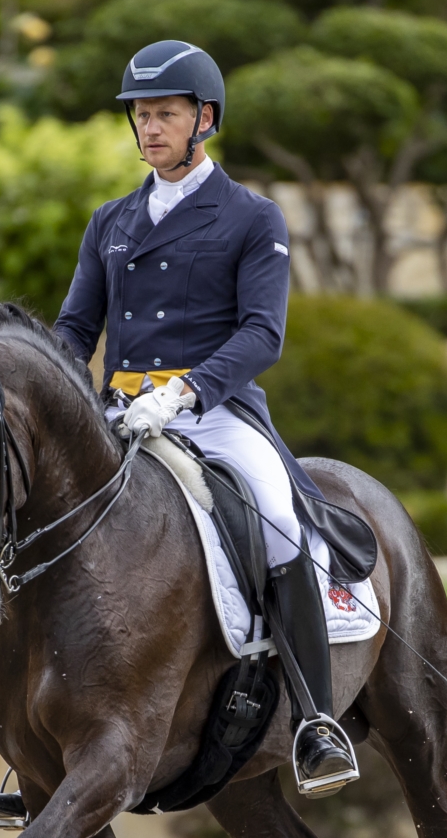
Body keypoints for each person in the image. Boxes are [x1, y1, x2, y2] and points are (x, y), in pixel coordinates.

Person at [52, 39, 358, 797]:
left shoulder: (251, 217)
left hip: (212, 411)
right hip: (122, 413)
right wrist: (61, 397)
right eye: (140, 115)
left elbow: (263, 334)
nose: (149, 128)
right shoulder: (111, 221)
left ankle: (317, 723)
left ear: (205, 119)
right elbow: (74, 330)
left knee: (278, 518)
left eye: (165, 114)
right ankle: (33, 738)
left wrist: (185, 392)